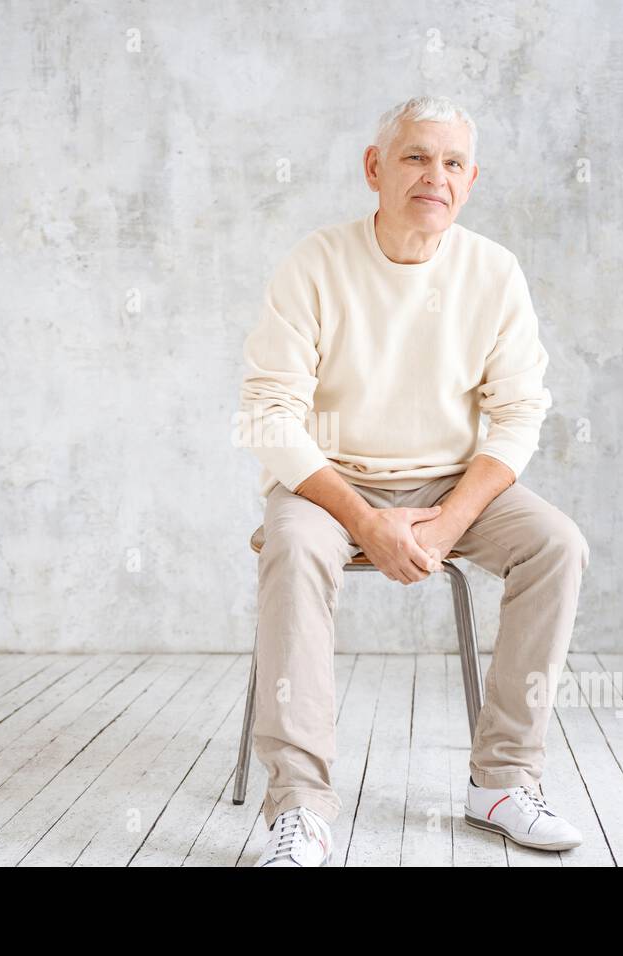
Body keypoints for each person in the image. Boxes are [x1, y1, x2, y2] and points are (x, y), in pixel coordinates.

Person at [236, 95, 589, 867]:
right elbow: (269, 416)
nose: (436, 175)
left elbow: (519, 415)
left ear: (470, 181)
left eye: (453, 163)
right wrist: (363, 519)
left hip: (450, 484)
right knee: (294, 551)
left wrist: (453, 518)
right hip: (328, 486)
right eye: (415, 156)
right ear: (374, 168)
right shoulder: (315, 263)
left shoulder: (494, 272)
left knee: (557, 544)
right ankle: (299, 807)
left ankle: (502, 782)